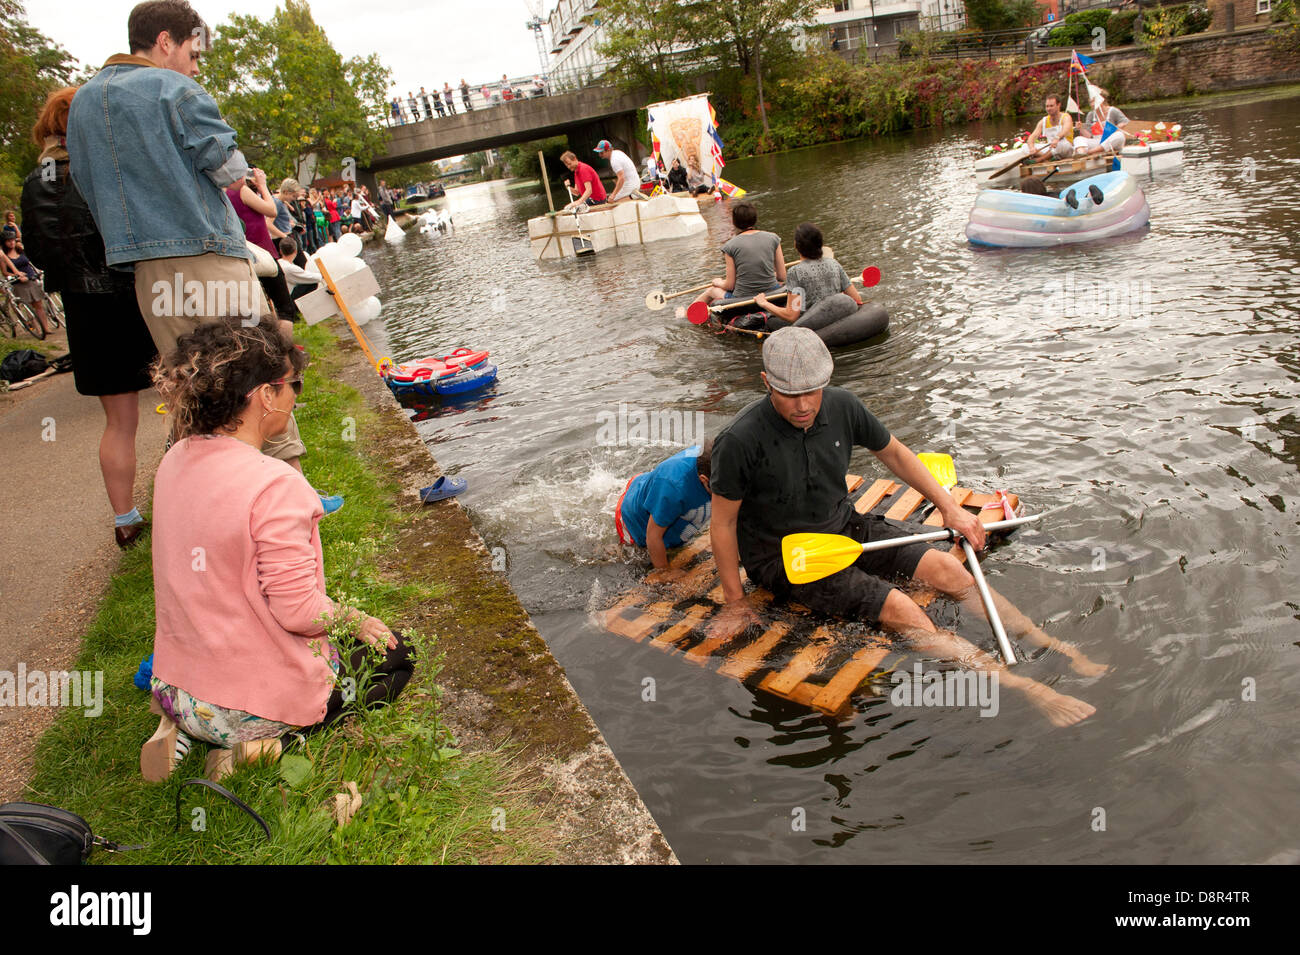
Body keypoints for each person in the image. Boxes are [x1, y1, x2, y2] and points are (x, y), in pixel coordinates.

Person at [706, 327, 1104, 726]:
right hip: (787, 556)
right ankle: (1029, 690)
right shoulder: (739, 440)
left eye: (813, 390)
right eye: (790, 394)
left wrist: (949, 508)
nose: (804, 404)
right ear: (766, 383)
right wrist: (735, 601)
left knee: (949, 569)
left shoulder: (843, 405)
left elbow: (894, 453)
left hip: (845, 524)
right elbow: (722, 524)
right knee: (902, 608)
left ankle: (1054, 647)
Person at [140, 317, 414, 781]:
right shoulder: (276, 484)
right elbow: (296, 611)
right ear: (264, 395)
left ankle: (179, 728)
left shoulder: (173, 461)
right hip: (242, 705)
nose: (294, 397)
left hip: (173, 684)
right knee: (397, 656)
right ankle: (263, 743)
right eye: (293, 385)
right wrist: (355, 618)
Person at [66, 0, 310, 473]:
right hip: (207, 253)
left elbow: (87, 188)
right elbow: (227, 168)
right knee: (260, 368)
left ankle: (214, 499)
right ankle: (288, 492)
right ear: (165, 42)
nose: (195, 66)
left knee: (192, 386)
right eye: (194, 55)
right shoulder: (173, 88)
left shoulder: (82, 104)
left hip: (147, 272)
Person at [21, 86, 159, 548]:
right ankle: (192, 497)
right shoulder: (102, 167)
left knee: (119, 422)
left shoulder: (34, 181)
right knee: (182, 397)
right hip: (130, 296)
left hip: (83, 310)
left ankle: (125, 518)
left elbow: (38, 252)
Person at [616, 442, 713, 580]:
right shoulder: (674, 487)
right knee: (634, 556)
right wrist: (664, 572)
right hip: (632, 517)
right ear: (704, 480)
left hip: (656, 486)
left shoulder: (719, 458)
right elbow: (653, 536)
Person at [753, 222, 862, 333]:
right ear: (820, 244)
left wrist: (764, 303)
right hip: (836, 318)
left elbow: (791, 316)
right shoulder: (834, 263)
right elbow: (857, 299)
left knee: (771, 322)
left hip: (810, 324)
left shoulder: (794, 272)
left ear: (796, 245)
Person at [227, 168, 295, 322]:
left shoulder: (222, 193)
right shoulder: (241, 191)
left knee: (260, 305)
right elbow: (271, 211)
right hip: (262, 251)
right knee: (285, 308)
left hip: (244, 252)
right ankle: (284, 344)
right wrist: (263, 186)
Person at [692, 201, 785, 307]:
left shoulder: (730, 246)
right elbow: (782, 276)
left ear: (734, 221)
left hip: (743, 297)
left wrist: (718, 282)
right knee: (779, 283)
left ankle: (686, 314)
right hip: (772, 292)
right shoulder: (773, 238)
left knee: (711, 291)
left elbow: (730, 285)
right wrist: (767, 275)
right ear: (755, 219)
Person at [0, 233, 53, 335]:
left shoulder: (21, 250)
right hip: (18, 283)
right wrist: (17, 275)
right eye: (8, 241)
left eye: (13, 240)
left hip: (30, 279)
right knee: (28, 306)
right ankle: (37, 330)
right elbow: (5, 271)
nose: (11, 242)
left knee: (38, 304)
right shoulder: (3, 255)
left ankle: (46, 328)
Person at [1075, 88, 1129, 155]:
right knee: (1078, 139)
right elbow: (1089, 136)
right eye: (1090, 102)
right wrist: (1081, 128)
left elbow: (1124, 122)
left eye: (1093, 101)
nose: (1092, 104)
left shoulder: (1112, 111)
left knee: (1120, 135)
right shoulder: (1091, 115)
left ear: (1101, 100)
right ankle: (1082, 154)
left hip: (1111, 141)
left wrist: (1113, 129)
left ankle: (1090, 152)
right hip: (1098, 141)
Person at [1025, 94, 1074, 161]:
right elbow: (1032, 137)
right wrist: (1031, 148)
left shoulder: (1066, 117)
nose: (1048, 109)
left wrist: (1057, 138)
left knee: (1060, 144)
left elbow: (1065, 130)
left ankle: (1040, 159)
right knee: (1025, 147)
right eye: (1047, 106)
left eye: (1051, 106)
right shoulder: (1043, 121)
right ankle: (1049, 157)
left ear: (1058, 105)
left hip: (1066, 148)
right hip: (1051, 148)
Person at [277, 236, 319, 301]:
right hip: (289, 298)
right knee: (312, 283)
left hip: (281, 297)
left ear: (280, 251)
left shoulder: (278, 263)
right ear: (296, 251)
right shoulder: (290, 268)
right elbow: (314, 278)